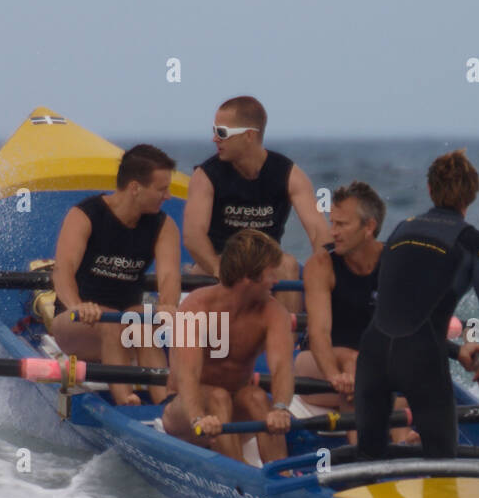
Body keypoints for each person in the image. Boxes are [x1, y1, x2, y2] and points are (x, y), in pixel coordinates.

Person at [354, 149, 479, 460]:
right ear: (472, 194)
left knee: (369, 460)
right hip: (422, 360)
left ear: (429, 190)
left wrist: (453, 351)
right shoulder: (474, 242)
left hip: (372, 355)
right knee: (443, 464)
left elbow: (388, 303)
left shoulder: (400, 230)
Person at [51, 144, 182, 405]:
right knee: (113, 325)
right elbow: (63, 270)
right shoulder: (85, 215)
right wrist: (77, 306)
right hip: (78, 320)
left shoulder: (164, 225)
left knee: (142, 322)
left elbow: (169, 276)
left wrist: (168, 305)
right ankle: (126, 402)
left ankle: (167, 405)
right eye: (161, 189)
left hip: (126, 317)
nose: (168, 196)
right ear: (135, 187)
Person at [294, 181, 416, 444]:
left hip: (372, 366)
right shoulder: (321, 265)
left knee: (393, 384)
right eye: (332, 223)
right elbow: (318, 334)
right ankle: (362, 461)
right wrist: (335, 376)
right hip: (316, 368)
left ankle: (406, 453)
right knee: (354, 366)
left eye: (341, 225)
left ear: (369, 227)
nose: (332, 232)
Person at [183, 95, 330, 311]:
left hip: (266, 262)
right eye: (214, 131)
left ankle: (287, 340)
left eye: (222, 133)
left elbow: (319, 232)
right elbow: (193, 236)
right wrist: (219, 269)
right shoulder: (205, 176)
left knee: (287, 265)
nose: (215, 139)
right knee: (198, 272)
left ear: (249, 135)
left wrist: (323, 271)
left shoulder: (289, 174)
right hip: (219, 262)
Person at [161, 229, 295, 464]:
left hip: (233, 414)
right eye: (270, 274)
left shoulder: (274, 313)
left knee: (256, 396)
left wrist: (281, 408)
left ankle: (282, 474)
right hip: (186, 412)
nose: (277, 281)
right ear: (248, 277)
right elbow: (188, 375)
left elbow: (283, 368)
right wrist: (197, 419)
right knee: (218, 396)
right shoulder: (197, 307)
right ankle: (239, 481)